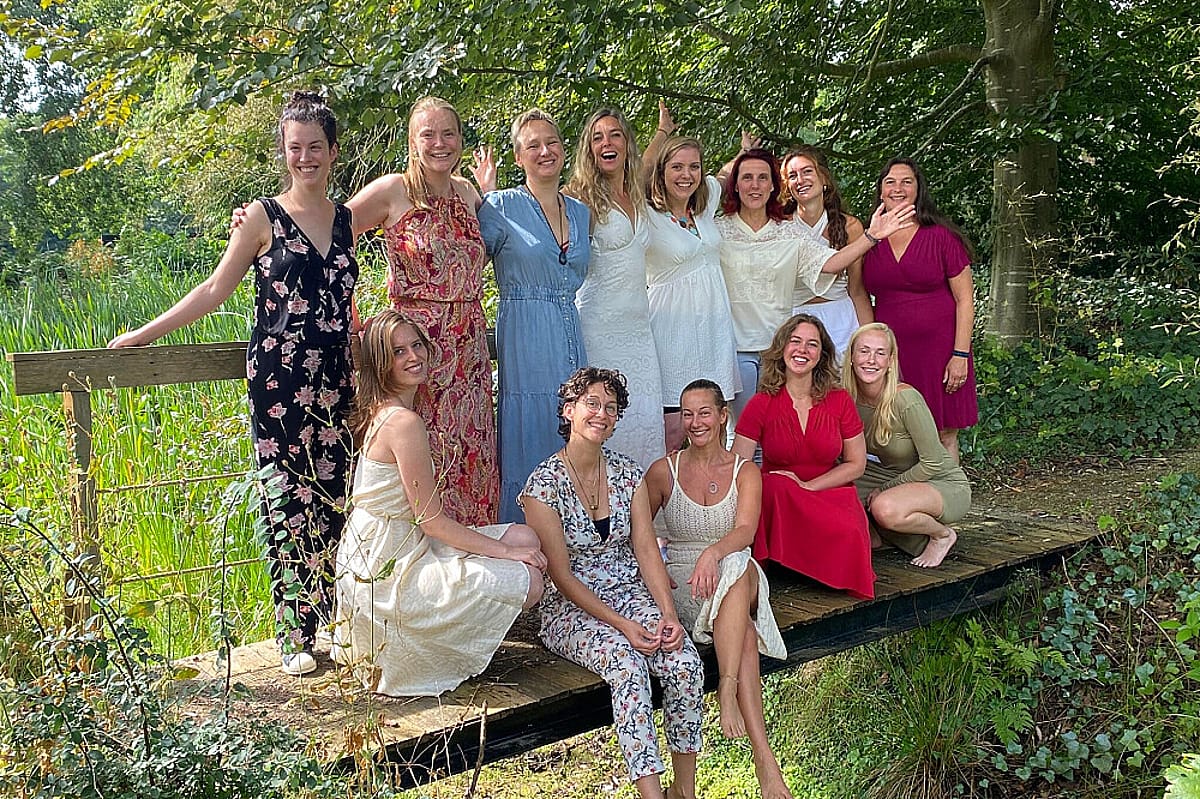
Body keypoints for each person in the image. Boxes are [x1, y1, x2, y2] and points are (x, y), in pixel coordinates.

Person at [111, 92, 357, 675]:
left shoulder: (348, 218)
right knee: (286, 503)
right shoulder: (260, 220)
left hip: (338, 382)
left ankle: (342, 625)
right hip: (280, 382)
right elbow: (214, 291)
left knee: (339, 502)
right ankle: (294, 637)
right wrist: (144, 336)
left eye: (315, 147)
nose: (305, 158)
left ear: (333, 152)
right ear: (283, 152)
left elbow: (412, 206)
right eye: (294, 148)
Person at [332, 310, 546, 695]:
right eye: (398, 352)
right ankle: (440, 652)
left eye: (416, 345)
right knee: (529, 578)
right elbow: (432, 522)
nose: (413, 356)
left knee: (526, 537)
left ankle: (461, 638)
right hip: (387, 565)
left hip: (395, 543)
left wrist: (509, 549)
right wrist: (503, 554)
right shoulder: (402, 423)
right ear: (382, 363)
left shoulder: (387, 410)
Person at [521, 368, 704, 799]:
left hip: (629, 592)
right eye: (591, 403)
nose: (601, 414)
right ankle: (651, 794)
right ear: (569, 411)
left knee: (683, 660)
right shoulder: (542, 486)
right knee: (627, 666)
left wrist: (668, 615)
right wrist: (623, 626)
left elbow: (645, 549)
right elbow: (561, 575)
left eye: (611, 407)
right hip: (572, 608)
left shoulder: (627, 473)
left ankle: (686, 789)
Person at [346, 96, 499, 524]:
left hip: (468, 347)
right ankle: (428, 565)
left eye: (448, 133)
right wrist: (354, 319)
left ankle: (478, 561)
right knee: (428, 449)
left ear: (460, 140)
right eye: (428, 134)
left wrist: (489, 192)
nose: (439, 143)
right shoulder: (393, 190)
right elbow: (331, 237)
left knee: (472, 448)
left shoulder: (467, 194)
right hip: (418, 349)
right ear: (413, 142)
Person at [645, 379, 793, 799]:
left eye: (704, 412)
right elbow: (638, 534)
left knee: (738, 564)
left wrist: (713, 552)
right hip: (688, 587)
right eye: (687, 414)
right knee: (743, 632)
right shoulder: (663, 471)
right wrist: (659, 567)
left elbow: (744, 530)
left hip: (732, 570)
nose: (695, 422)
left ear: (723, 414)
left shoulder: (746, 471)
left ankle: (726, 687)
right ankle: (765, 763)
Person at [716, 146, 915, 423]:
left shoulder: (796, 231)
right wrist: (740, 154)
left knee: (826, 409)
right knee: (748, 425)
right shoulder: (725, 228)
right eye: (793, 175)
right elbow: (704, 194)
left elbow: (840, 273)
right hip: (765, 333)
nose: (755, 185)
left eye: (763, 178)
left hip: (815, 326)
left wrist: (871, 236)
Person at [477, 109, 591, 523]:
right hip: (525, 333)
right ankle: (527, 539)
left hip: (570, 332)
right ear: (518, 157)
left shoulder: (580, 212)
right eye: (533, 146)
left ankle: (575, 538)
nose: (545, 151)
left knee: (574, 426)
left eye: (552, 142)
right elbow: (467, 261)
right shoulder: (500, 205)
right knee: (532, 427)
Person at [732, 314, 874, 599]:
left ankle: (813, 564)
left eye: (812, 345)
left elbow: (856, 464)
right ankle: (773, 563)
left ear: (821, 356)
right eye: (795, 341)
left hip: (829, 490)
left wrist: (809, 486)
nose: (802, 350)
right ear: (782, 348)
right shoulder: (761, 403)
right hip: (780, 494)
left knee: (850, 532)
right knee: (772, 484)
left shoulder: (839, 400)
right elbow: (740, 466)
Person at [565, 106, 665, 468]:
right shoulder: (579, 197)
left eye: (615, 135)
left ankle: (644, 514)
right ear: (589, 150)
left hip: (640, 330)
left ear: (626, 143)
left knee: (644, 415)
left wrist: (663, 132)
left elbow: (650, 161)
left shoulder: (636, 188)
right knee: (605, 417)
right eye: (597, 137)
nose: (606, 143)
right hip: (599, 327)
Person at [861, 156, 978, 463]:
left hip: (940, 351)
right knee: (897, 428)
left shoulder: (941, 237)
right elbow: (857, 293)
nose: (897, 189)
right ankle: (905, 503)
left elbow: (966, 300)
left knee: (943, 431)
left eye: (906, 182)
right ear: (880, 191)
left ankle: (947, 501)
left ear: (918, 189)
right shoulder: (870, 239)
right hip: (892, 351)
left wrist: (960, 355)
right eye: (890, 182)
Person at [843, 323, 971, 568]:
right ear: (851, 357)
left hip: (939, 480)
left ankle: (942, 535)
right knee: (834, 484)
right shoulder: (848, 397)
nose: (871, 360)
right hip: (893, 475)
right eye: (864, 351)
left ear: (891, 361)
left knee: (884, 507)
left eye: (880, 353)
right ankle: (877, 536)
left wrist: (886, 489)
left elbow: (933, 462)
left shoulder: (905, 399)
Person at [644, 132, 740, 452]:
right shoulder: (647, 215)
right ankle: (667, 500)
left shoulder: (705, 206)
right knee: (673, 429)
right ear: (661, 172)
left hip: (713, 330)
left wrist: (743, 151)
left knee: (716, 425)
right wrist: (660, 134)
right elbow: (632, 177)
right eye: (677, 167)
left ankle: (715, 498)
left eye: (694, 167)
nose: (687, 175)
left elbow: (724, 177)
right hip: (671, 333)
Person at [781, 146, 874, 356]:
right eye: (792, 176)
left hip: (841, 320)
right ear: (787, 186)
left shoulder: (850, 227)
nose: (800, 180)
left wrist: (869, 337)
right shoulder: (780, 227)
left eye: (807, 171)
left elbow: (857, 290)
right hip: (795, 321)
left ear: (823, 178)